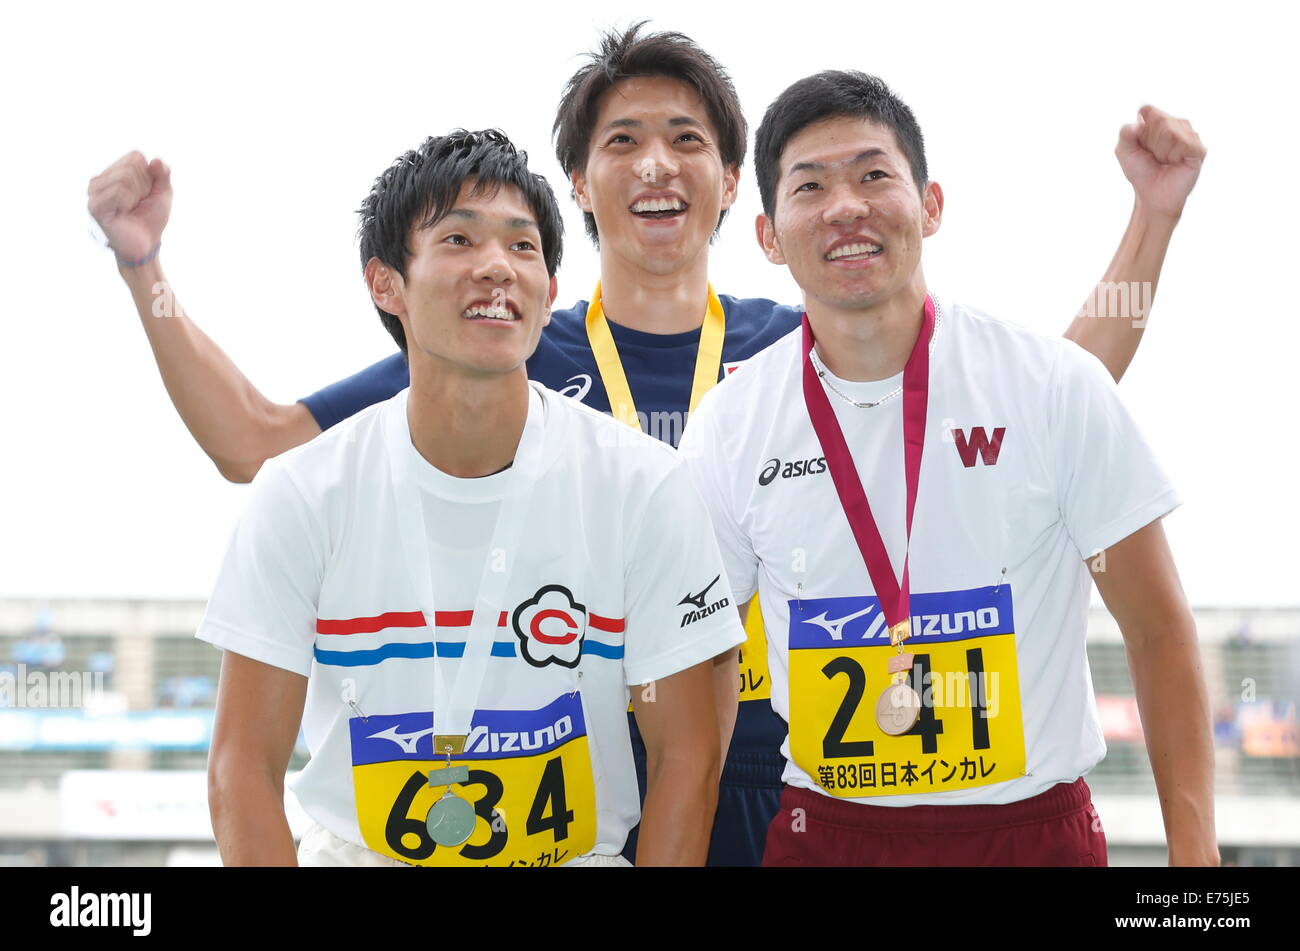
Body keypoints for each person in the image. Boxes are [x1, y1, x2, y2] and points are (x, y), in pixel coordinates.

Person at [87, 24, 1205, 866]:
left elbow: (1035, 402)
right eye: (622, 141)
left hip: (778, 753)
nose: (658, 163)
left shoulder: (799, 343)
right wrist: (147, 271)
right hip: (610, 752)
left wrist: (1150, 222)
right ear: (579, 183)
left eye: (689, 141)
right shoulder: (499, 348)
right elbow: (256, 443)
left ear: (732, 188)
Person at [676, 70, 1217, 866]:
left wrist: (1196, 861)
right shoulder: (731, 425)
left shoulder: (1050, 383)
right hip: (827, 838)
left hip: (1033, 835)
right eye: (810, 186)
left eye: (873, 175)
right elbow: (698, 667)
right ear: (768, 236)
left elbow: (1159, 631)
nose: (845, 206)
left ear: (931, 206)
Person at [197, 129, 746, 867]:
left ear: (549, 294)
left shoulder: (644, 486)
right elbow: (241, 768)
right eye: (458, 239)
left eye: (523, 246)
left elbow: (686, 756)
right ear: (386, 283)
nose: (496, 267)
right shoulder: (301, 493)